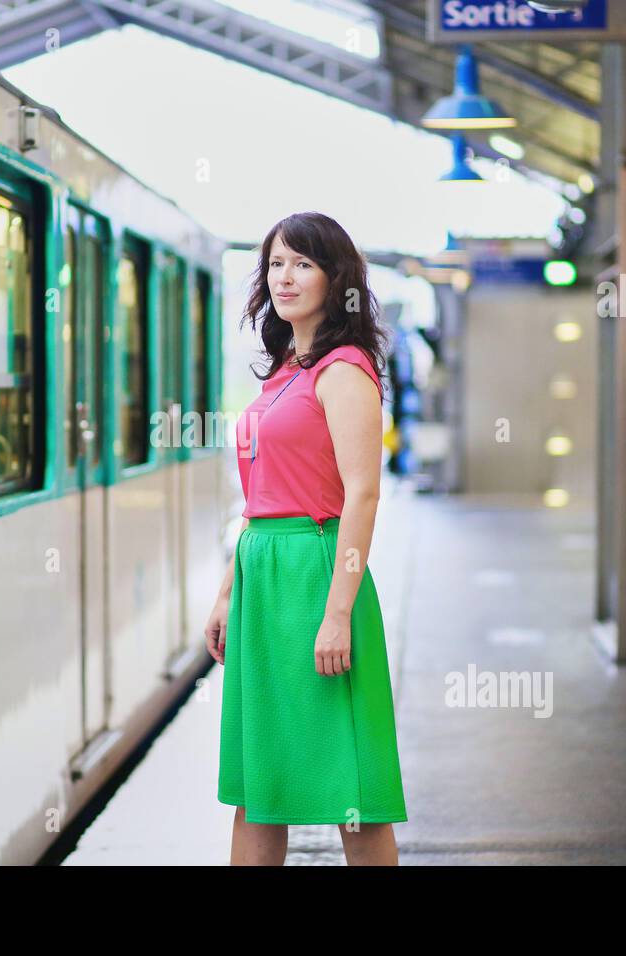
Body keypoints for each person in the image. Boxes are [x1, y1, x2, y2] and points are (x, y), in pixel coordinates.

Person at [204, 211, 407, 866]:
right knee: (259, 783)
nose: (285, 277)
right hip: (263, 576)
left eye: (303, 264)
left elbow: (363, 494)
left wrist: (338, 614)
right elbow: (261, 498)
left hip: (316, 575)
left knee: (353, 788)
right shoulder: (284, 370)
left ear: (335, 277)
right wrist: (228, 590)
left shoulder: (345, 369)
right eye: (275, 264)